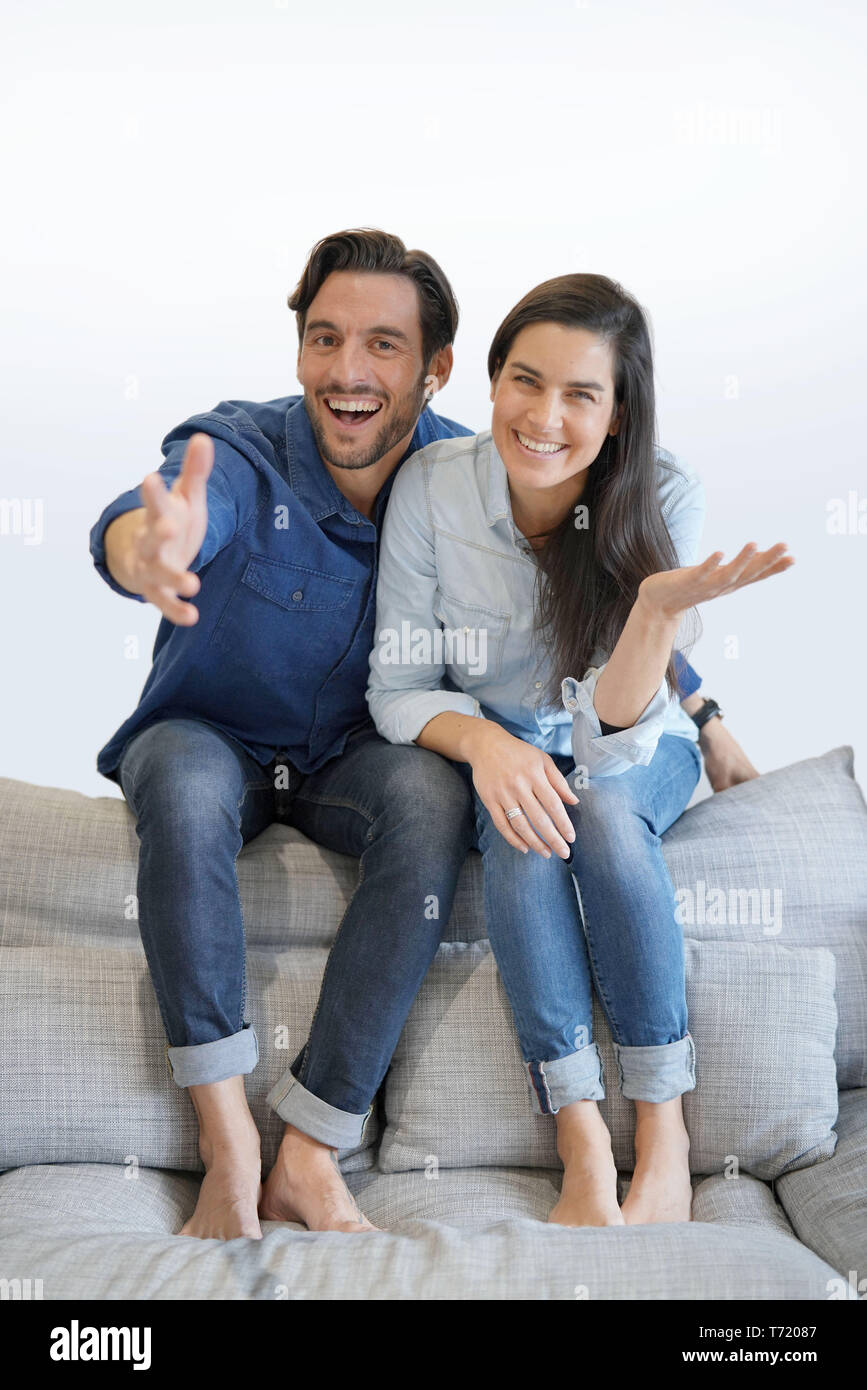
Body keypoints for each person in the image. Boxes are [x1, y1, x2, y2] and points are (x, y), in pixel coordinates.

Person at [89, 230, 756, 1240]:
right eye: (325, 338)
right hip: (210, 734)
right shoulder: (264, 455)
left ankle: (310, 1148)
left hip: (361, 755)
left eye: (383, 345)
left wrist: (705, 717)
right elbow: (165, 512)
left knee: (437, 799)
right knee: (184, 788)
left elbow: (600, 609)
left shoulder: (482, 469)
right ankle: (229, 1152)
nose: (347, 371)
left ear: (436, 367)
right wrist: (148, 547)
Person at [366, 272, 793, 1226]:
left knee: (592, 805)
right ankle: (580, 1137)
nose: (544, 417)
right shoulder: (431, 487)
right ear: (490, 380)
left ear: (617, 412)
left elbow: (612, 743)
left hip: (637, 741)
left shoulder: (664, 492)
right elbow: (397, 685)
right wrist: (485, 745)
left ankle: (664, 1132)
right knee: (525, 826)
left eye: (580, 394)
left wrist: (651, 614)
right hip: (504, 744)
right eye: (525, 380)